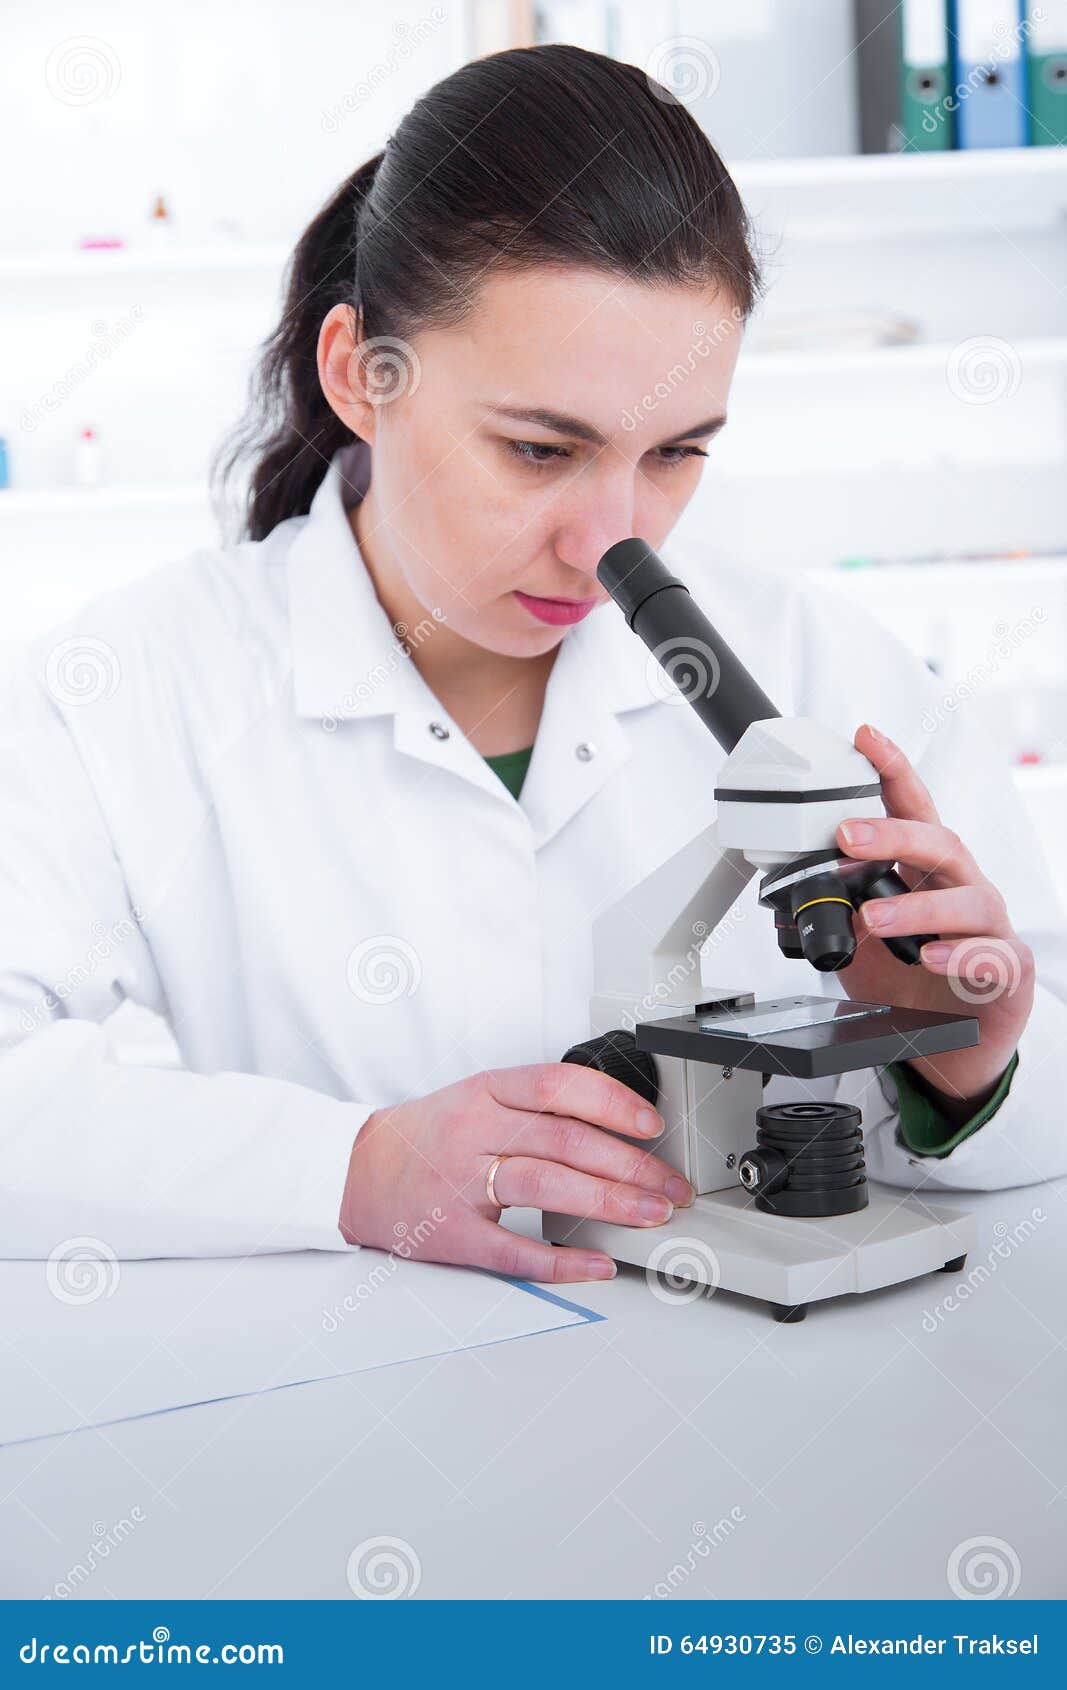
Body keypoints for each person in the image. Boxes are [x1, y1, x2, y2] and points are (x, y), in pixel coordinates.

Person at [1, 46, 1062, 1284]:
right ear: (359, 374)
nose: (610, 537)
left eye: (673, 454)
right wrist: (348, 1166)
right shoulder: (124, 689)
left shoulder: (818, 661)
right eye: (537, 450)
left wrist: (963, 1062)